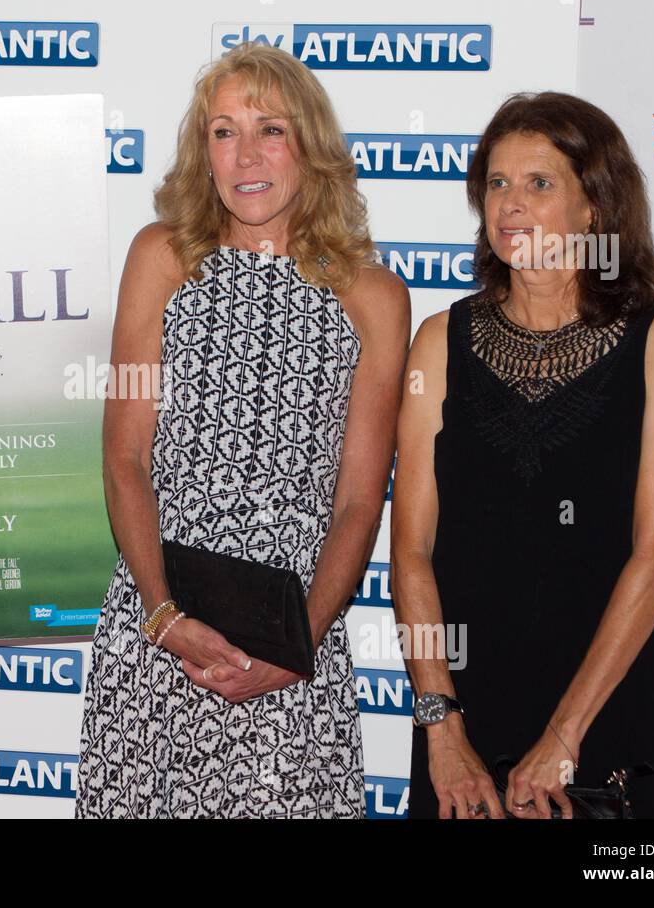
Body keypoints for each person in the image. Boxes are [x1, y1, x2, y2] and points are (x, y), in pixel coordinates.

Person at [75, 42, 409, 818]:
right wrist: (163, 618)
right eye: (223, 132)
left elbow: (359, 501)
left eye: (270, 129)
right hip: (157, 643)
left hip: (292, 651)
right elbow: (125, 459)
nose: (246, 154)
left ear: (312, 148)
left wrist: (296, 651)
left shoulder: (374, 297)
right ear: (204, 153)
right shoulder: (161, 258)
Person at [392, 92, 654, 819]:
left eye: (540, 184)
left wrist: (564, 736)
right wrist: (440, 727)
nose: (511, 204)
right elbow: (411, 551)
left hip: (610, 710)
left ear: (595, 206)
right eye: (497, 184)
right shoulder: (441, 341)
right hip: (464, 726)